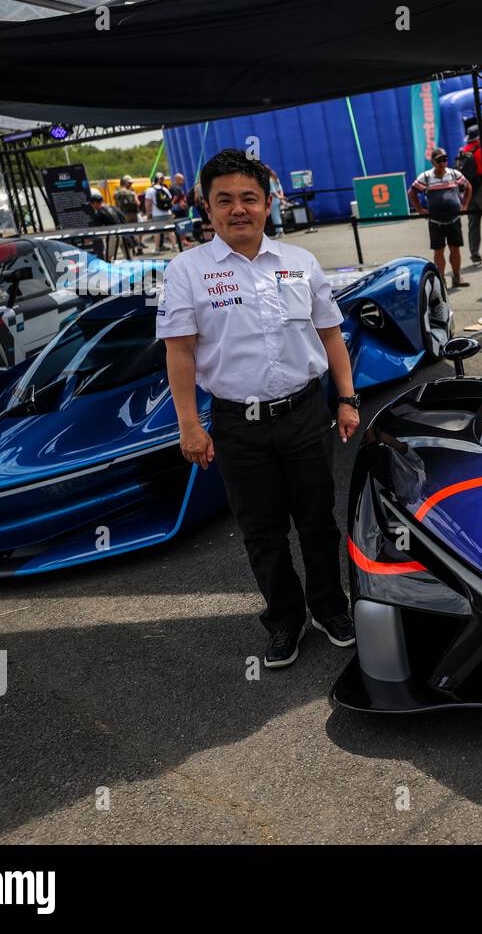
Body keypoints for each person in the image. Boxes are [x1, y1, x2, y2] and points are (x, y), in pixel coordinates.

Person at [158, 148, 361, 669]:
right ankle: (284, 620)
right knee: (262, 531)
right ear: (207, 207)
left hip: (303, 414)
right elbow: (178, 352)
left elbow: (331, 335)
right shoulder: (186, 271)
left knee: (318, 521)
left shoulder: (300, 263)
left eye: (249, 198)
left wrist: (346, 398)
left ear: (268, 204)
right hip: (236, 425)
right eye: (224, 200)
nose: (238, 209)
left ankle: (329, 608)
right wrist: (189, 427)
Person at [409, 147, 473, 289]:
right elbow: (411, 193)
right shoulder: (425, 177)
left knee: (455, 249)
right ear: (432, 162)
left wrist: (465, 206)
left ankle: (457, 277)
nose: (443, 163)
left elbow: (468, 187)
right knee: (439, 251)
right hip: (436, 222)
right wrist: (420, 210)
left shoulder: (454, 174)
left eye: (445, 159)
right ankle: (441, 280)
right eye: (439, 160)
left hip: (454, 219)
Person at [457, 124, 482, 264]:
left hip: (468, 191)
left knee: (473, 224)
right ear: (479, 138)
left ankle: (475, 254)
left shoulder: (463, 151)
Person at [144, 172, 177, 253]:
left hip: (157, 214)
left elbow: (148, 204)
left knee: (157, 231)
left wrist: (148, 215)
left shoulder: (150, 190)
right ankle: (174, 247)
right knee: (170, 231)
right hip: (167, 212)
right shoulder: (165, 189)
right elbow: (170, 201)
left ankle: (157, 248)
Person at [114, 175, 143, 253]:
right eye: (129, 183)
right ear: (126, 183)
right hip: (133, 214)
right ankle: (138, 247)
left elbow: (116, 205)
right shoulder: (131, 192)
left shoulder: (117, 192)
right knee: (138, 231)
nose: (131, 185)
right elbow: (138, 203)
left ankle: (131, 248)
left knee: (128, 232)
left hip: (123, 215)